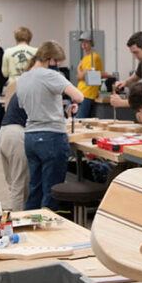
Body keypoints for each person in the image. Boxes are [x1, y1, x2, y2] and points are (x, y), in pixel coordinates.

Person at [17, 41, 84, 210]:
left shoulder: (23, 78)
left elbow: (25, 105)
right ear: (49, 59)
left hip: (30, 136)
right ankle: (48, 228)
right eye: (57, 62)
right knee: (52, 191)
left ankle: (31, 226)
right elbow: (79, 96)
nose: (58, 66)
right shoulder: (51, 76)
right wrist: (72, 101)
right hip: (51, 137)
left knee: (35, 188)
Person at [0, 77, 29, 210]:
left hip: (4, 133)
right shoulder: (33, 92)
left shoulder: (22, 89)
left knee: (14, 184)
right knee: (20, 186)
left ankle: (14, 219)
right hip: (16, 136)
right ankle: (18, 222)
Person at [76, 31, 112, 118]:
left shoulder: (94, 58)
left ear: (91, 43)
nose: (83, 45)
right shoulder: (85, 58)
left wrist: (79, 70)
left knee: (81, 120)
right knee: (76, 119)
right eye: (82, 43)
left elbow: (82, 76)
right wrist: (80, 74)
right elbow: (78, 77)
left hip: (88, 94)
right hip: (80, 92)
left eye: (86, 43)